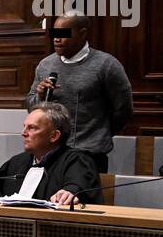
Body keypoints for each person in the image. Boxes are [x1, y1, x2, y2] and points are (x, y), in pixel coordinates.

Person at [24, 11, 134, 174]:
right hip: (50, 152)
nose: (56, 39)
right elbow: (32, 107)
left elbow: (123, 110)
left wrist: (99, 132)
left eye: (64, 34)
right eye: (55, 34)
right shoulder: (46, 65)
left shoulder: (106, 65)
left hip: (90, 154)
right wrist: (39, 97)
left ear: (82, 34)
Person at [0, 104, 103, 206]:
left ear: (54, 136)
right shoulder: (16, 162)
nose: (23, 133)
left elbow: (76, 187)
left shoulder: (77, 161)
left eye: (32, 128)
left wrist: (68, 193)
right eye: (24, 127)